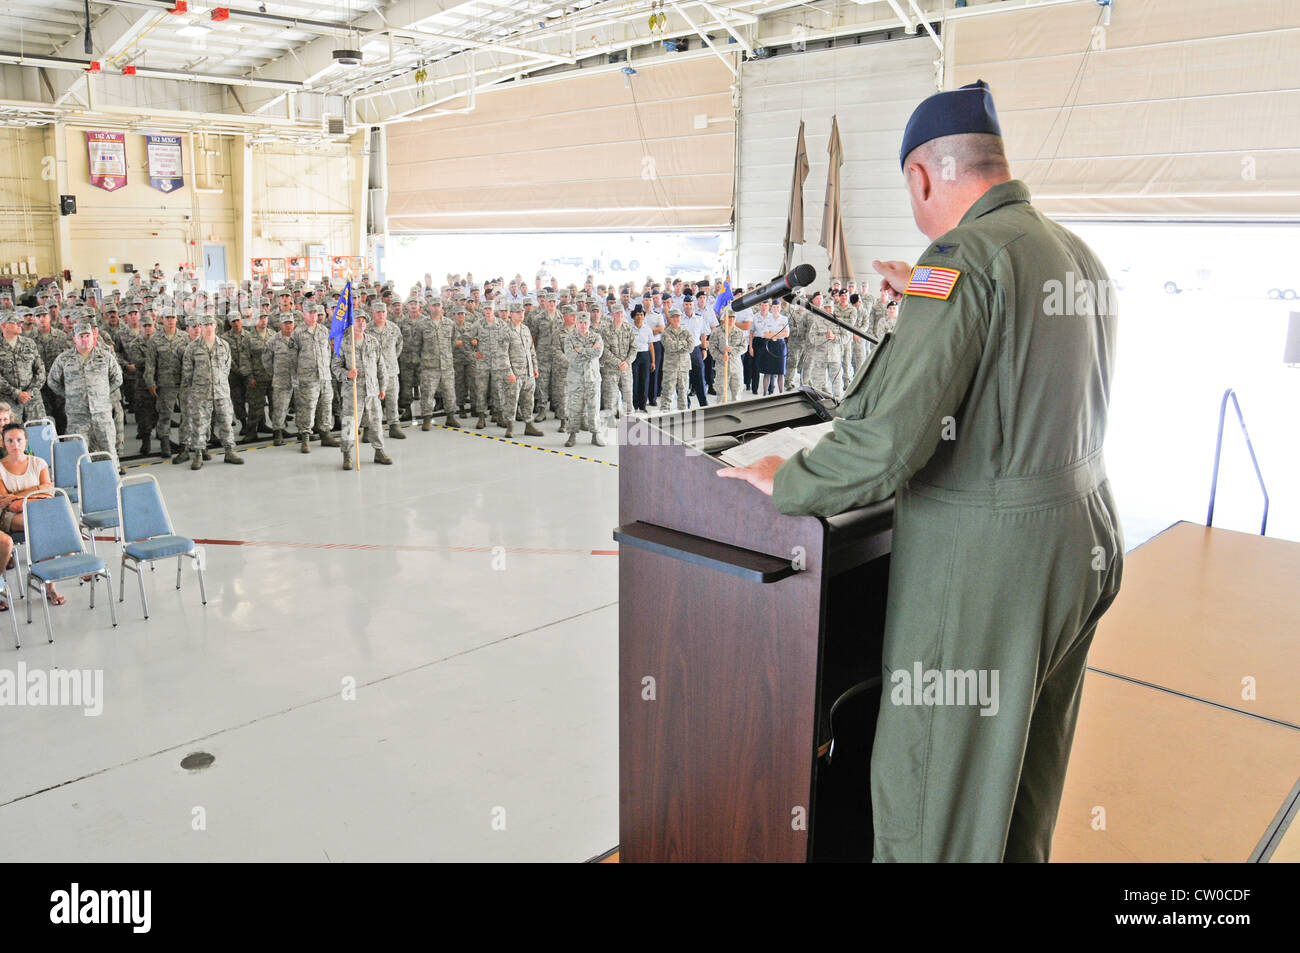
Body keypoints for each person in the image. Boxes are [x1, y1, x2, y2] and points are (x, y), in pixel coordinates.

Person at [719, 80, 1124, 862]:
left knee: (933, 792)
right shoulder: (1072, 252)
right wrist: (932, 306)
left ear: (922, 177)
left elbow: (887, 443)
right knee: (1016, 781)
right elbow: (1020, 370)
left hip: (990, 569)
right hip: (1081, 542)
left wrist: (789, 477)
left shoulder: (962, 258)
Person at [0, 423, 63, 607]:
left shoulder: (38, 463)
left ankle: (50, 585)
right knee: (45, 526)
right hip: (9, 518)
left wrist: (20, 497)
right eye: (10, 441)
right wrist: (35, 492)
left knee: (44, 525)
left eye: (19, 440)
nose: (15, 444)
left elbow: (48, 491)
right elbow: (5, 502)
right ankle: (68, 555)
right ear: (3, 444)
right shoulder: (0, 468)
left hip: (36, 511)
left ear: (26, 441)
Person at [46, 321, 123, 459]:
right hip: (77, 416)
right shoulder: (64, 359)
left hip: (102, 413)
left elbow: (117, 378)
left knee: (108, 451)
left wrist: (102, 393)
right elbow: (52, 381)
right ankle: (83, 479)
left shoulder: (105, 357)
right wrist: (68, 394)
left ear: (93, 337)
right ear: (74, 339)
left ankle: (112, 477)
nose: (84, 339)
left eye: (87, 335)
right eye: (80, 336)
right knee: (79, 454)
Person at [333, 311, 392, 469]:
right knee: (349, 424)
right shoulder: (344, 343)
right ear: (351, 324)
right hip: (353, 392)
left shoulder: (373, 342)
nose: (361, 323)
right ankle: (347, 455)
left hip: (372, 391)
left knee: (376, 422)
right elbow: (335, 367)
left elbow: (381, 366)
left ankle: (379, 451)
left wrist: (383, 386)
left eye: (363, 320)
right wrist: (347, 374)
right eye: (357, 320)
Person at [496, 302, 543, 438]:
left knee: (529, 400)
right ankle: (510, 426)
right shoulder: (505, 331)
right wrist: (509, 372)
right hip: (515, 374)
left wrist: (535, 367)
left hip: (528, 373)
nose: (521, 314)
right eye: (517, 312)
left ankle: (529, 425)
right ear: (511, 314)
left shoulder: (525, 329)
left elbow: (532, 350)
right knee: (511, 400)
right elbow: (503, 354)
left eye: (522, 312)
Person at [563, 311, 604, 447]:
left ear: (589, 323)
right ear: (576, 323)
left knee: (594, 407)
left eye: (585, 322)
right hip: (576, 380)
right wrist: (589, 350)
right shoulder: (569, 338)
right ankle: (572, 435)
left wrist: (580, 350)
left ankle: (595, 434)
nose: (583, 325)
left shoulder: (596, 337)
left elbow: (598, 353)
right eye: (580, 322)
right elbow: (571, 356)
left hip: (592, 379)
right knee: (574, 408)